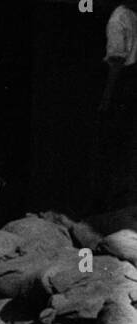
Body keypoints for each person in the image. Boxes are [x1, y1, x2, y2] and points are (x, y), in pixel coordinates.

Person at [100, 1, 137, 209]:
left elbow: (116, 61)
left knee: (118, 145)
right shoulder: (129, 15)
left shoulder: (119, 17)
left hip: (126, 84)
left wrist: (107, 96)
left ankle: (114, 200)